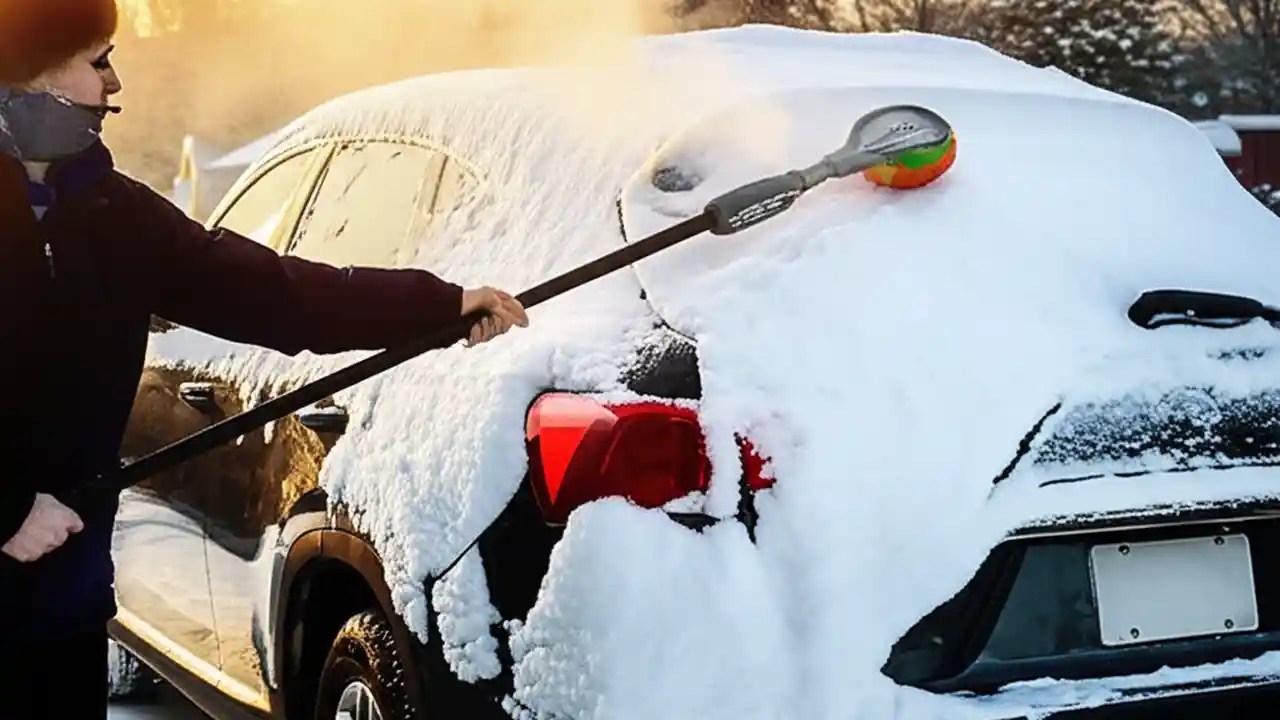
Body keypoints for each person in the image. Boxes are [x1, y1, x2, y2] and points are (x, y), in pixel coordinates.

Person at [0, 0, 528, 714]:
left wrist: (437, 304)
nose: (114, 84)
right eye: (97, 62)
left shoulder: (111, 215)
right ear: (27, 75)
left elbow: (275, 294)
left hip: (62, 600)